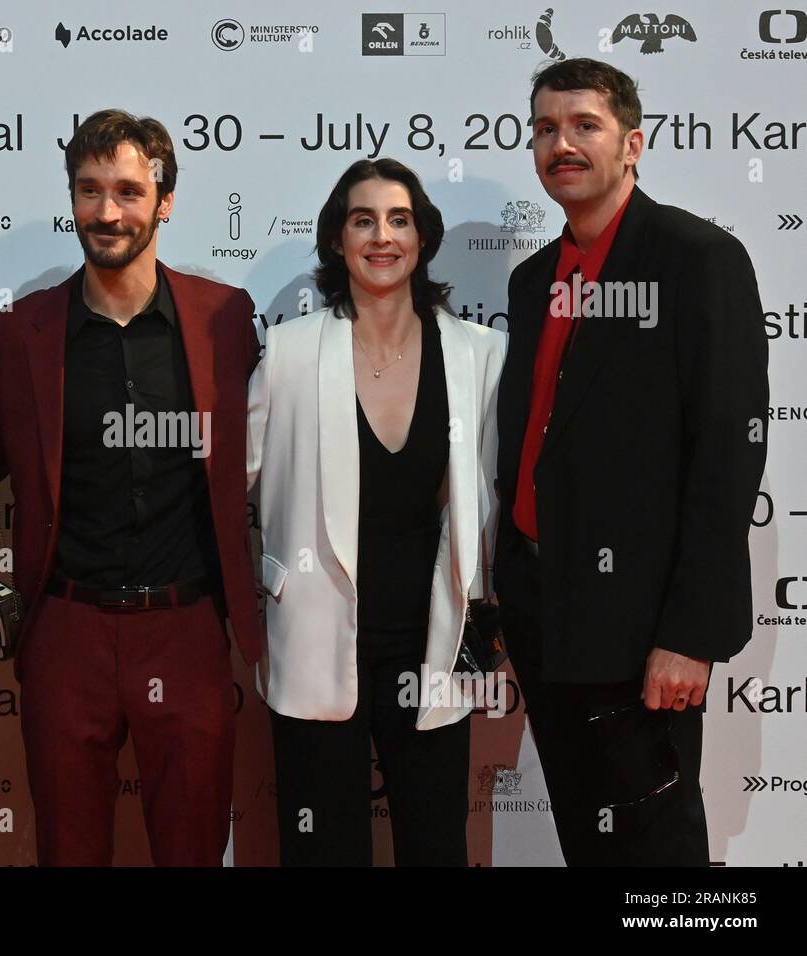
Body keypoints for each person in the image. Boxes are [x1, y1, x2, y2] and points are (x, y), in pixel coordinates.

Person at [0, 109, 262, 866]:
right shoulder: (17, 334)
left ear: (166, 200)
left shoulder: (223, 320)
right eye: (89, 191)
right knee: (68, 850)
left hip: (185, 627)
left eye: (128, 189)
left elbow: (277, 455)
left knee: (191, 850)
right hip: (65, 630)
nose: (108, 211)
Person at [494, 58, 769, 865]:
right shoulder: (530, 281)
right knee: (586, 835)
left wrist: (691, 633)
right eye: (545, 129)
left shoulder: (698, 259)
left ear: (634, 144)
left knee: (657, 845)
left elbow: (727, 458)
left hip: (645, 624)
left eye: (585, 125)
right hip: (544, 608)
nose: (562, 144)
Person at [246, 159, 506, 866]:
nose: (382, 236)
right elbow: (231, 482)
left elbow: (494, 503)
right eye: (363, 220)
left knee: (434, 844)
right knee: (323, 849)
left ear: (423, 237)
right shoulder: (292, 352)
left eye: (399, 220)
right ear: (337, 239)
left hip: (433, 644)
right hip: (313, 636)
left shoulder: (481, 355)